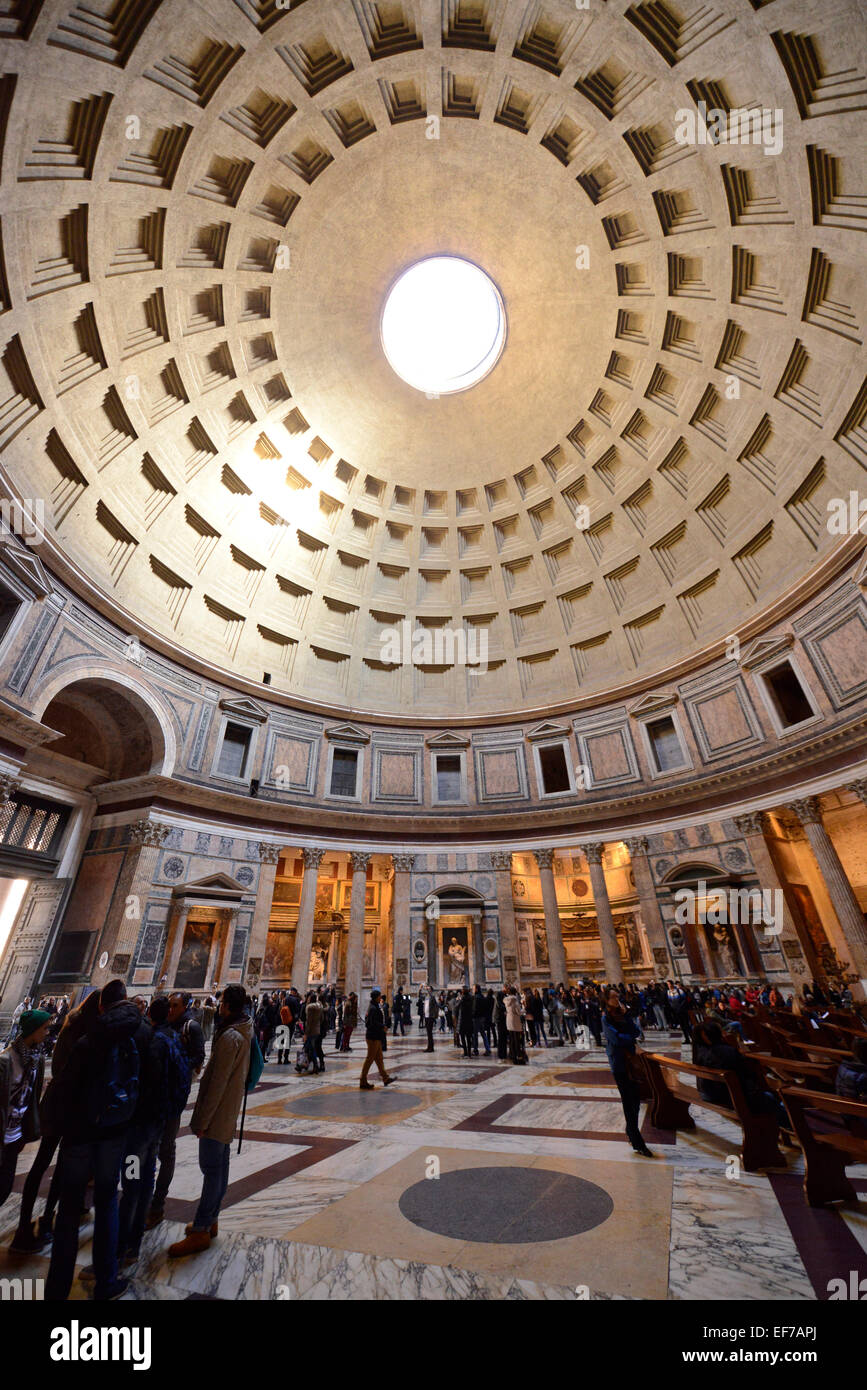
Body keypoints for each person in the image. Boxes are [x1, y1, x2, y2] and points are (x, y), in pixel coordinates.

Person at [45, 980, 150, 1301]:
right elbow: (148, 1089)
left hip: (79, 1136)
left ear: (101, 1006)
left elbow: (62, 1089)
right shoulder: (143, 1034)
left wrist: (60, 1126)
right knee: (107, 1203)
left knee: (68, 1211)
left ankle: (57, 1289)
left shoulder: (86, 1037)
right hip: (116, 1135)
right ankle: (106, 1281)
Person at [10, 991, 102, 1252]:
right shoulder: (86, 1036)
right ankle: (45, 1220)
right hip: (70, 1109)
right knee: (58, 1167)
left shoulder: (69, 1028)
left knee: (41, 1165)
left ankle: (26, 1224)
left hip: (55, 1105)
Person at [167, 984, 252, 1258]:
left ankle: (202, 1228)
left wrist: (202, 1119)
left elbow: (217, 1083)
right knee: (219, 1168)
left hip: (218, 1114)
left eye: (222, 1001)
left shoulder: (230, 1037)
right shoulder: (242, 1029)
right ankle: (211, 1218)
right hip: (226, 1110)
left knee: (211, 1169)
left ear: (227, 1005)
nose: (219, 1005)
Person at [117, 994, 190, 1265]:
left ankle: (121, 1244)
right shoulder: (173, 1038)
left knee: (131, 1183)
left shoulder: (152, 1042)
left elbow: (146, 1084)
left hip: (140, 1129)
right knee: (146, 1179)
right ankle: (134, 1243)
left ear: (149, 1015)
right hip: (159, 1123)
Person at [145, 991, 205, 1230]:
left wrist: (179, 1069)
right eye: (168, 1005)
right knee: (144, 1151)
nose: (171, 1009)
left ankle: (157, 1203)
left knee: (166, 1150)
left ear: (185, 1006)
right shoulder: (159, 1031)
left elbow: (199, 1056)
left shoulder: (189, 1028)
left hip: (172, 1100)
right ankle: (137, 1197)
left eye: (175, 1005)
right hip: (153, 1103)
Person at [0, 1008, 51, 1211]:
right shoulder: (5, 1061)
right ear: (33, 1030)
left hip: (16, 1136)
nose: (48, 1032)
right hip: (2, 1133)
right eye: (45, 1028)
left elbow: (33, 1097)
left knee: (4, 1189)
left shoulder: (35, 1060)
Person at [603, 993, 653, 1157]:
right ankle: (638, 1142)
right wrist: (629, 1037)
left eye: (617, 997)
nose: (616, 999)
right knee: (628, 1101)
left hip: (632, 1061)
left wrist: (627, 1019)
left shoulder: (623, 1016)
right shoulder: (606, 1019)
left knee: (636, 1100)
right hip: (619, 1063)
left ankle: (630, 1130)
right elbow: (616, 1039)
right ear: (607, 1002)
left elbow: (636, 1031)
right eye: (613, 998)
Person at [359, 989, 395, 1089]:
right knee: (369, 1059)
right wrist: (382, 1026)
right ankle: (363, 1080)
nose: (381, 998)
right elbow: (371, 1023)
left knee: (379, 1059)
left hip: (376, 1036)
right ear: (376, 997)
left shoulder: (374, 1006)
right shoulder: (373, 1008)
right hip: (373, 1037)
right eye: (379, 996)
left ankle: (385, 1078)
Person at [503, 987, 526, 1064]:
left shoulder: (506, 1001)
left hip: (508, 1021)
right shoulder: (515, 1001)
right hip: (515, 1022)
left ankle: (511, 1054)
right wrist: (524, 1009)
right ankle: (518, 1055)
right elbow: (519, 1012)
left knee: (511, 1039)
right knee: (517, 1040)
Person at [304, 991, 324, 1074]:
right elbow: (321, 1019)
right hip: (317, 1029)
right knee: (311, 1048)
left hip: (311, 1030)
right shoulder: (320, 1007)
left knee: (311, 1049)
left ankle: (315, 1066)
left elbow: (309, 1021)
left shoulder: (310, 1008)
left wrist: (306, 1033)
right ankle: (308, 1064)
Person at [458, 986, 475, 1057]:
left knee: (462, 1037)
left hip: (463, 1020)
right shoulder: (471, 998)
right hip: (469, 1019)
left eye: (462, 990)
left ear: (463, 991)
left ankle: (465, 1052)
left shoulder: (462, 998)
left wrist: (459, 1000)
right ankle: (469, 1052)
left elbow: (457, 1006)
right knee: (468, 1037)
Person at [423, 986, 438, 1052]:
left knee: (430, 1033)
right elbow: (420, 996)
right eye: (427, 989)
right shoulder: (426, 997)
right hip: (426, 1016)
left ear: (431, 990)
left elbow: (436, 1006)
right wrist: (420, 989)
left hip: (430, 1016)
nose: (427, 990)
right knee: (428, 1033)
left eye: (429, 989)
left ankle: (431, 1048)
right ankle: (429, 1047)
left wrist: (434, 1015)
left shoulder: (432, 997)